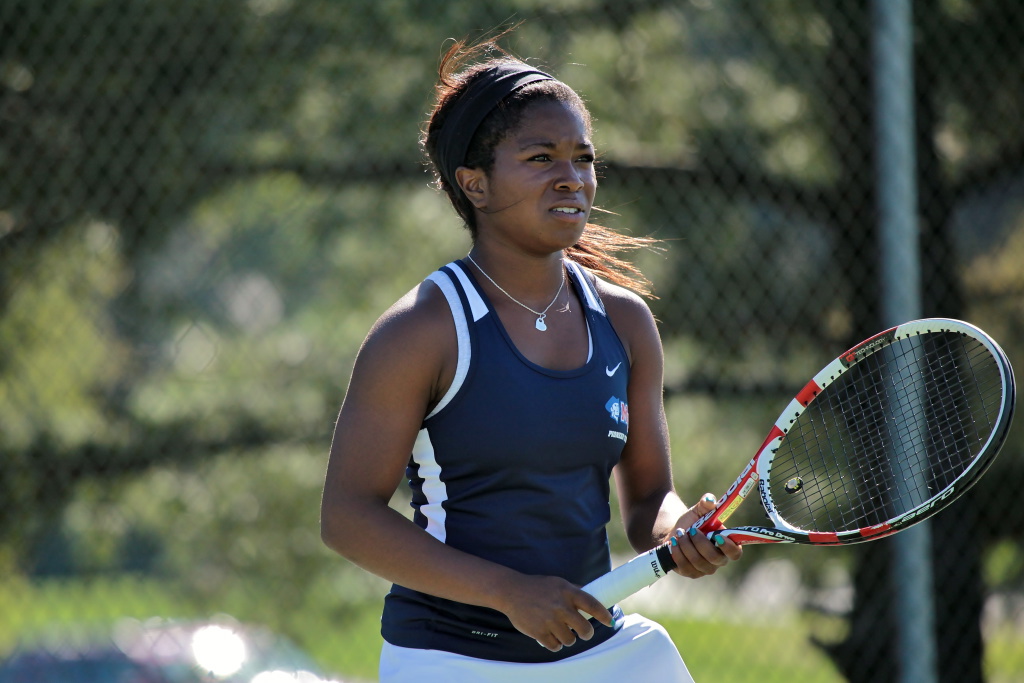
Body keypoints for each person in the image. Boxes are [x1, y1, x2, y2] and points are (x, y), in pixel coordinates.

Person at [319, 29, 742, 683]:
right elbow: (347, 516)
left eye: (583, 158)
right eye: (541, 158)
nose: (571, 178)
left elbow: (648, 499)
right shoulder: (422, 329)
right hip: (448, 654)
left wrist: (677, 530)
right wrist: (508, 592)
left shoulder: (626, 322)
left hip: (599, 645)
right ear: (476, 185)